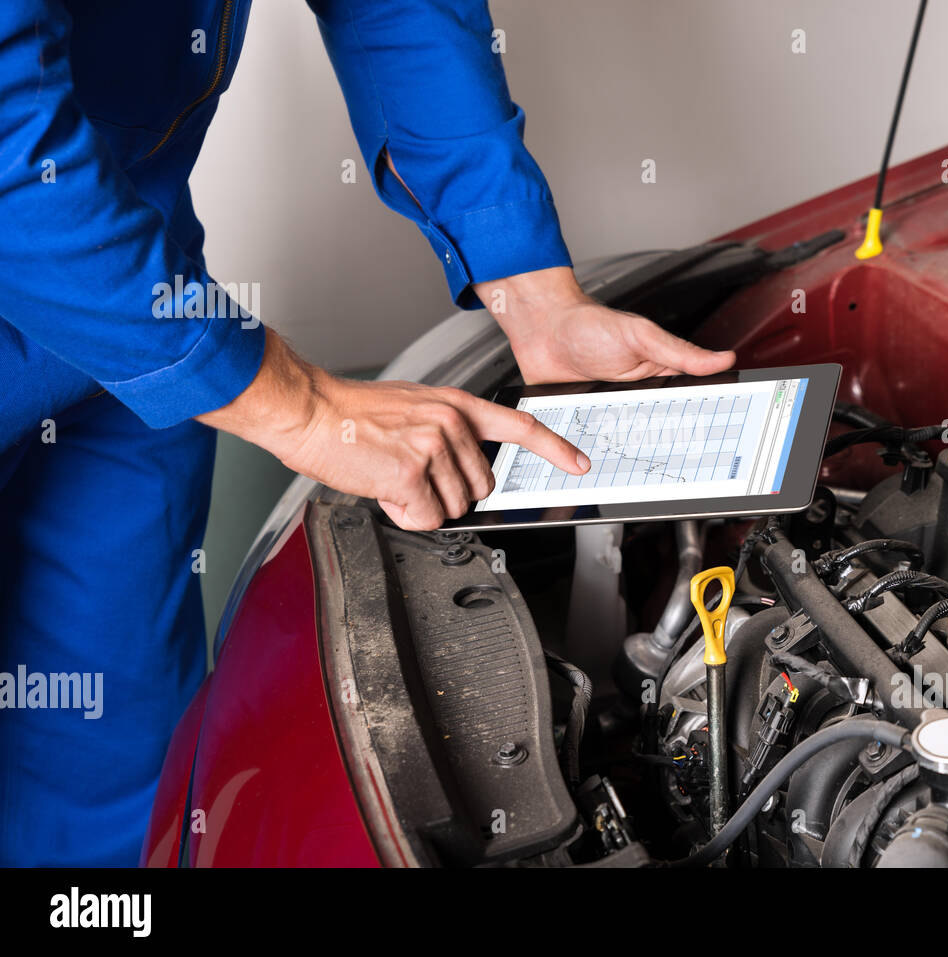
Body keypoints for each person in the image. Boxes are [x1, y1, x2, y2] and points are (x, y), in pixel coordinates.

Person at [0, 0, 733, 866]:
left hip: (137, 330)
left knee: (114, 797)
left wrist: (530, 291)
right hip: (120, 301)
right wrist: (305, 408)